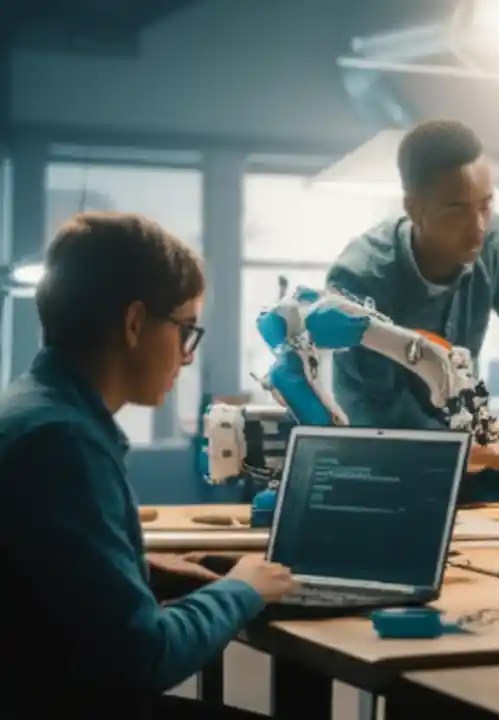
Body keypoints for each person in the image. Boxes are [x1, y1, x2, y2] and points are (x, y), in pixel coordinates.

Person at [0, 212, 298, 717]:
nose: (185, 358)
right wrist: (242, 589)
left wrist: (160, 573)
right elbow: (143, 656)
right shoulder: (62, 443)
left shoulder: (32, 411)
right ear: (134, 323)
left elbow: (59, 580)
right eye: (185, 330)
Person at [327, 120, 499, 502]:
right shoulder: (360, 280)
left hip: (465, 453)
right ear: (414, 207)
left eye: (486, 205)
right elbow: (379, 414)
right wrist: (470, 450)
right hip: (382, 464)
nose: (477, 229)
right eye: (456, 211)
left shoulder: (492, 239)